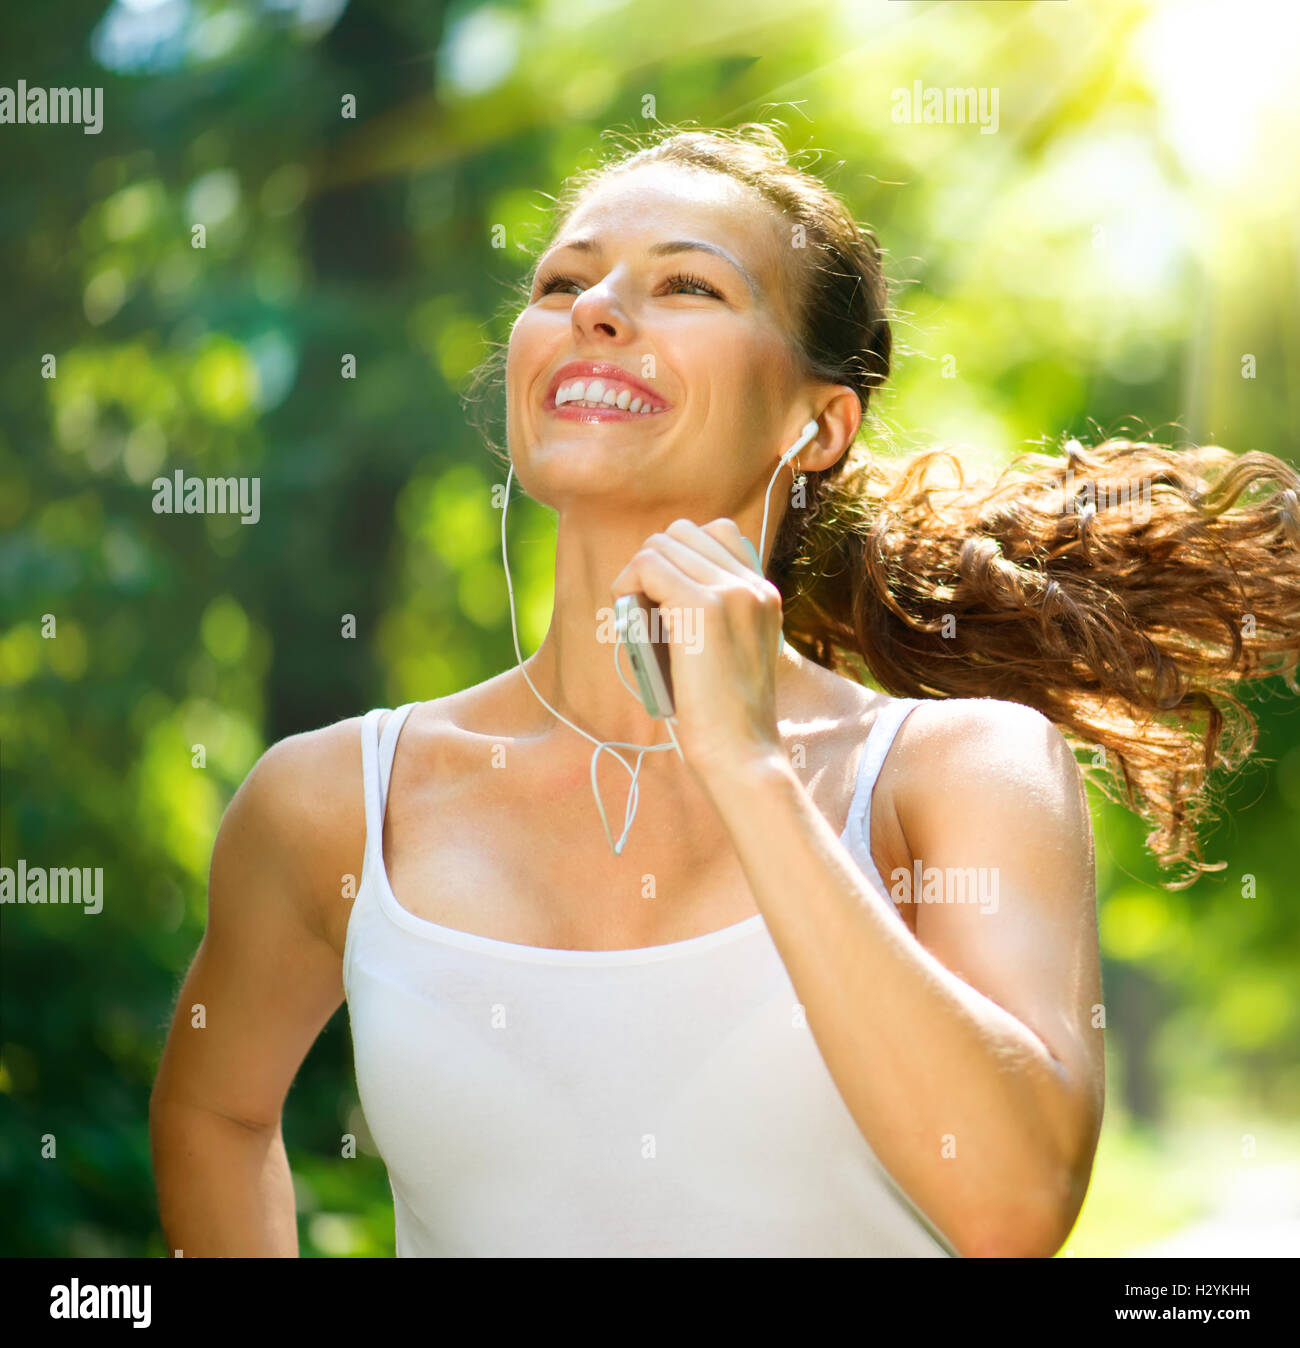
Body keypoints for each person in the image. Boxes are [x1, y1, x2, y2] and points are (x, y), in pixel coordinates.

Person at [149, 123, 1300, 1258]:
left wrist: (749, 767)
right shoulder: (334, 800)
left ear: (817, 425)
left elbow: (1011, 1206)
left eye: (688, 285)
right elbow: (215, 1110)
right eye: (563, 280)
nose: (595, 308)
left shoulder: (956, 773)